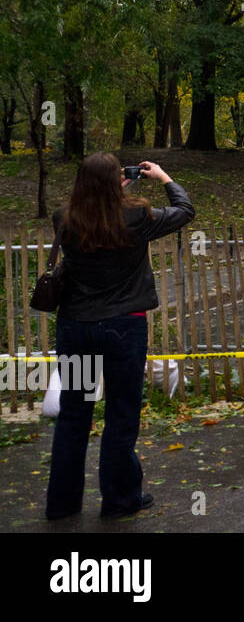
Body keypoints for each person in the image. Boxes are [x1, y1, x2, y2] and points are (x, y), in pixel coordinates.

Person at [45, 153, 195, 521]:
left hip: (77, 329)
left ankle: (62, 505)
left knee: (74, 416)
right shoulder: (137, 216)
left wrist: (111, 191)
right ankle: (119, 500)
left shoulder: (65, 219)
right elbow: (184, 210)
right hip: (123, 329)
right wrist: (162, 176)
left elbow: (94, 217)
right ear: (118, 181)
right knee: (121, 416)